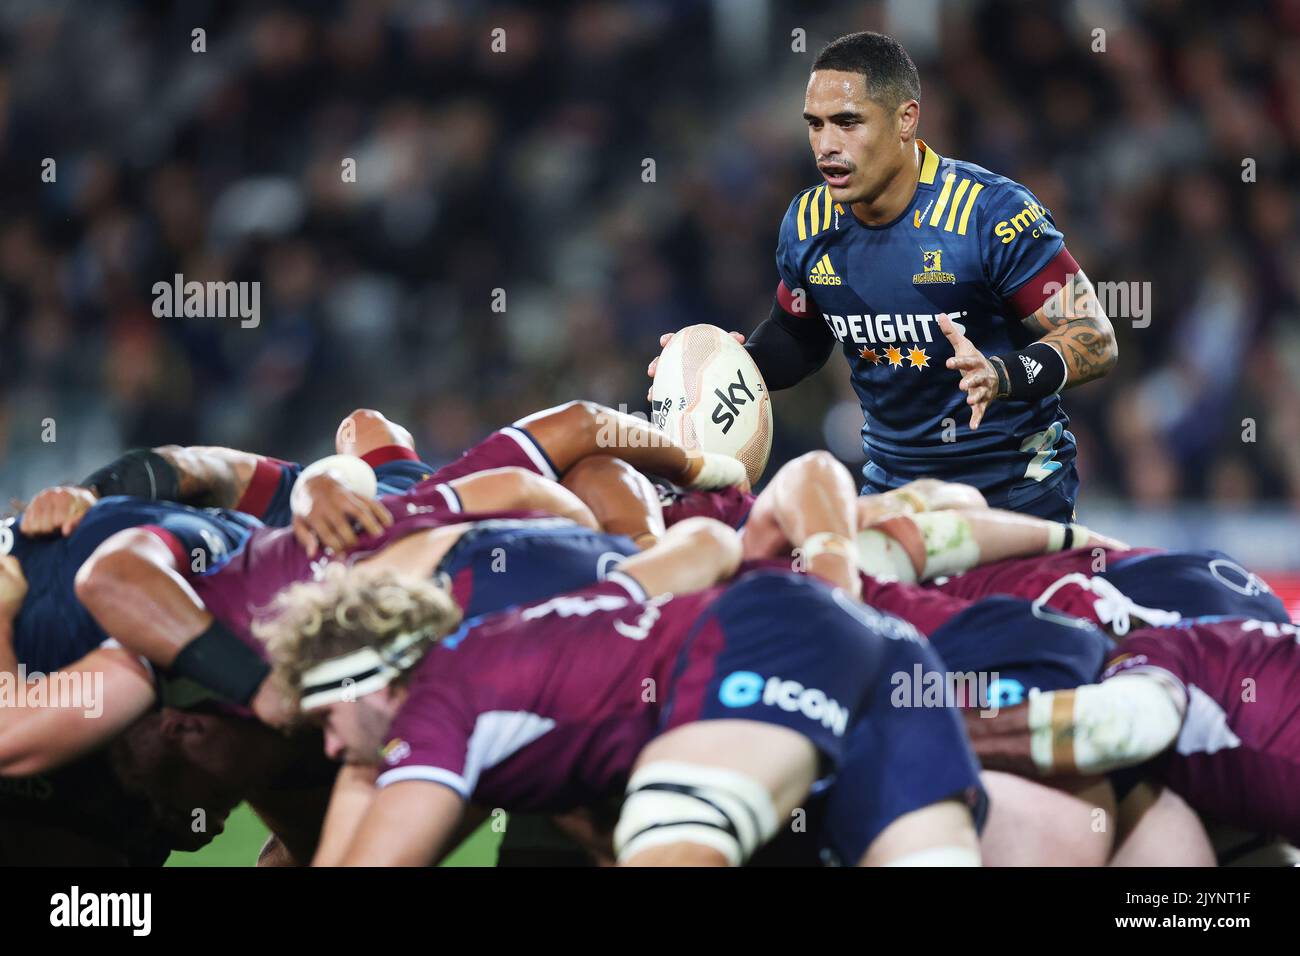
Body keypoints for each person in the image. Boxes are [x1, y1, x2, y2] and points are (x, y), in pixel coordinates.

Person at [264, 524, 986, 867]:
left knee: (670, 847)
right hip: (872, 642)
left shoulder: (435, 704)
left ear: (379, 681)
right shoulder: (505, 648)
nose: (329, 745)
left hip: (767, 637)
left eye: (327, 715)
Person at [648, 32, 1118, 521]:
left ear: (906, 119)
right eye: (815, 125)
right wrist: (727, 368)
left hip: (1015, 499)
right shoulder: (808, 223)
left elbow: (1094, 338)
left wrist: (1001, 375)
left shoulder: (990, 214)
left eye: (848, 123)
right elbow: (797, 338)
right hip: (892, 499)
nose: (826, 146)